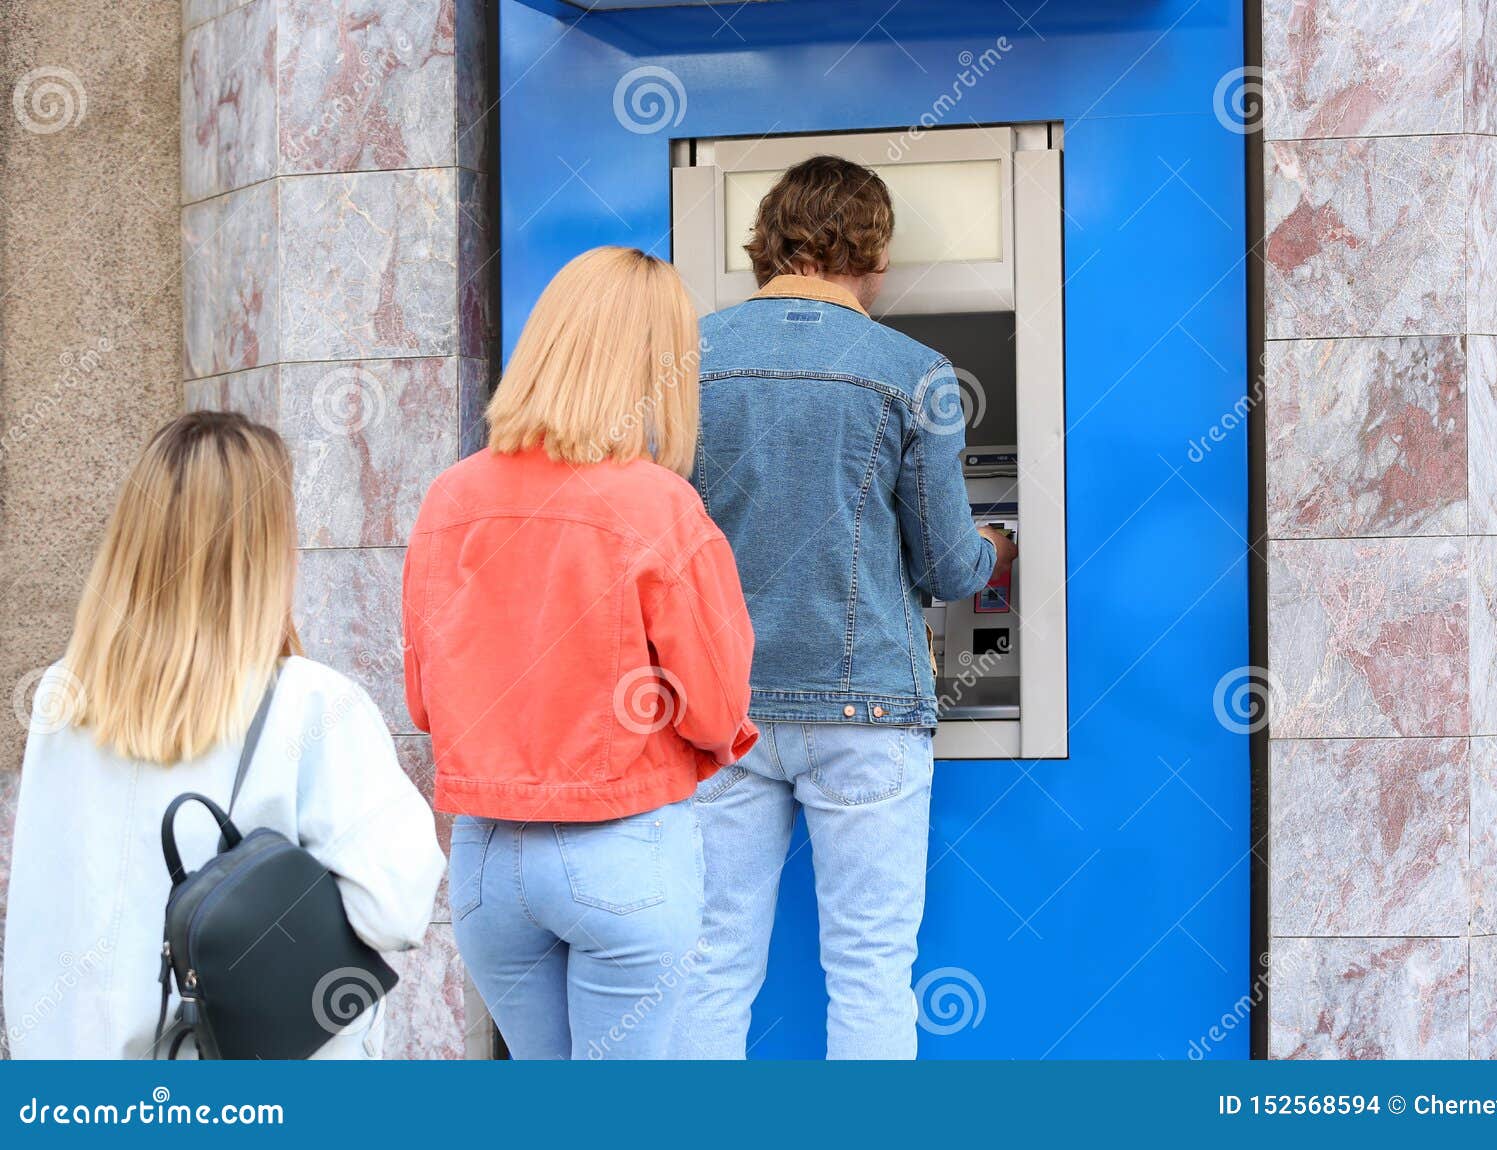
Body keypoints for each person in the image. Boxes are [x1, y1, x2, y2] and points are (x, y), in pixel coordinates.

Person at [672, 156, 1019, 1060]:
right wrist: (999, 551)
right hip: (866, 706)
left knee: (711, 965)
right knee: (869, 971)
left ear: (769, 241)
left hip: (725, 713)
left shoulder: (687, 362)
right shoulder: (915, 372)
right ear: (872, 248)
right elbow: (948, 569)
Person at [403, 246, 758, 1060]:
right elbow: (715, 707)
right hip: (622, 847)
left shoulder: (451, 497)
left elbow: (427, 700)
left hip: (488, 861)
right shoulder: (660, 503)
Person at [2, 411, 443, 1060]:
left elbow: (44, 909)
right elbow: (394, 908)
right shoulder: (313, 705)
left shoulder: (63, 699)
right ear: (265, 551)